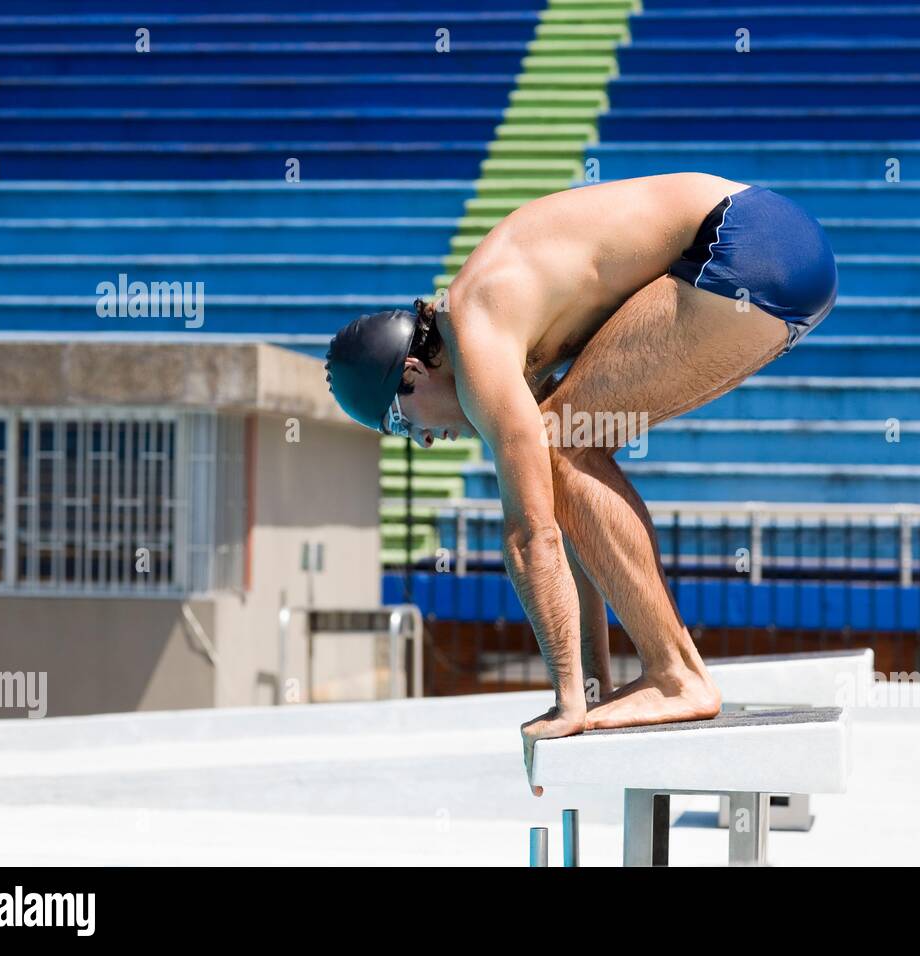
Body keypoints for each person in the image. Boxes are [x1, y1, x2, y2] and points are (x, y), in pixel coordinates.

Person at [325, 173, 836, 790]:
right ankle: (665, 674)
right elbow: (563, 521)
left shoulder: (478, 328)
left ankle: (677, 676)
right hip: (786, 258)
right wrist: (589, 693)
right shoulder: (506, 333)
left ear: (411, 372)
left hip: (743, 243)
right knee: (567, 445)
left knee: (562, 445)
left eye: (405, 425)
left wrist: (565, 705)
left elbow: (529, 539)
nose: (427, 441)